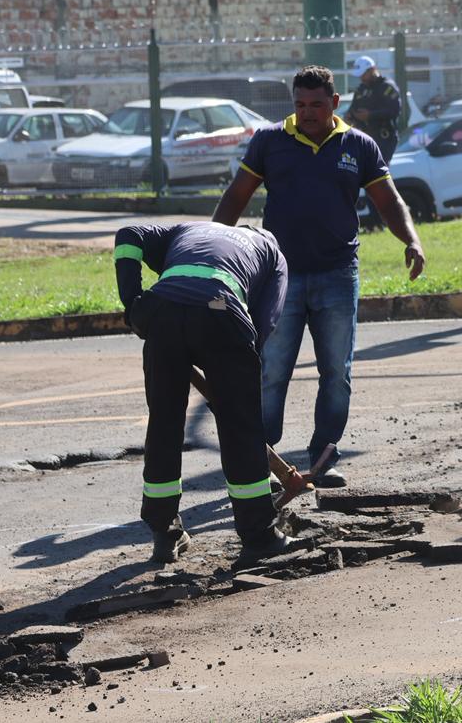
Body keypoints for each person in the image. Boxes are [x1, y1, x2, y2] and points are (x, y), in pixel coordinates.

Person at [213, 65, 425, 488]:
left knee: (337, 371)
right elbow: (236, 196)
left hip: (338, 276)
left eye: (315, 104)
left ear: (334, 103)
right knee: (271, 371)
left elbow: (389, 201)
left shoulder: (358, 145)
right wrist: (214, 252)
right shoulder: (270, 142)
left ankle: (323, 457)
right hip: (280, 278)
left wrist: (412, 241)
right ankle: (264, 462)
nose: (307, 113)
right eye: (300, 105)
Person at [114, 220, 299, 565]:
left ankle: (165, 534)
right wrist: (234, 382)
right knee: (240, 430)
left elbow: (128, 235)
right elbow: (266, 321)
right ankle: (259, 536)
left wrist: (133, 303)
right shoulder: (273, 254)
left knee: (164, 424)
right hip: (223, 312)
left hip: (162, 313)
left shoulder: (187, 230)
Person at [344, 55, 402, 159]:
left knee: (379, 169)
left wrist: (370, 115)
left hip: (384, 137)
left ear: (372, 70)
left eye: (363, 74)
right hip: (364, 136)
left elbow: (394, 110)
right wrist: (349, 117)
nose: (361, 78)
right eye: (360, 75)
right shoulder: (361, 89)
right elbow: (353, 108)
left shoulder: (386, 87)